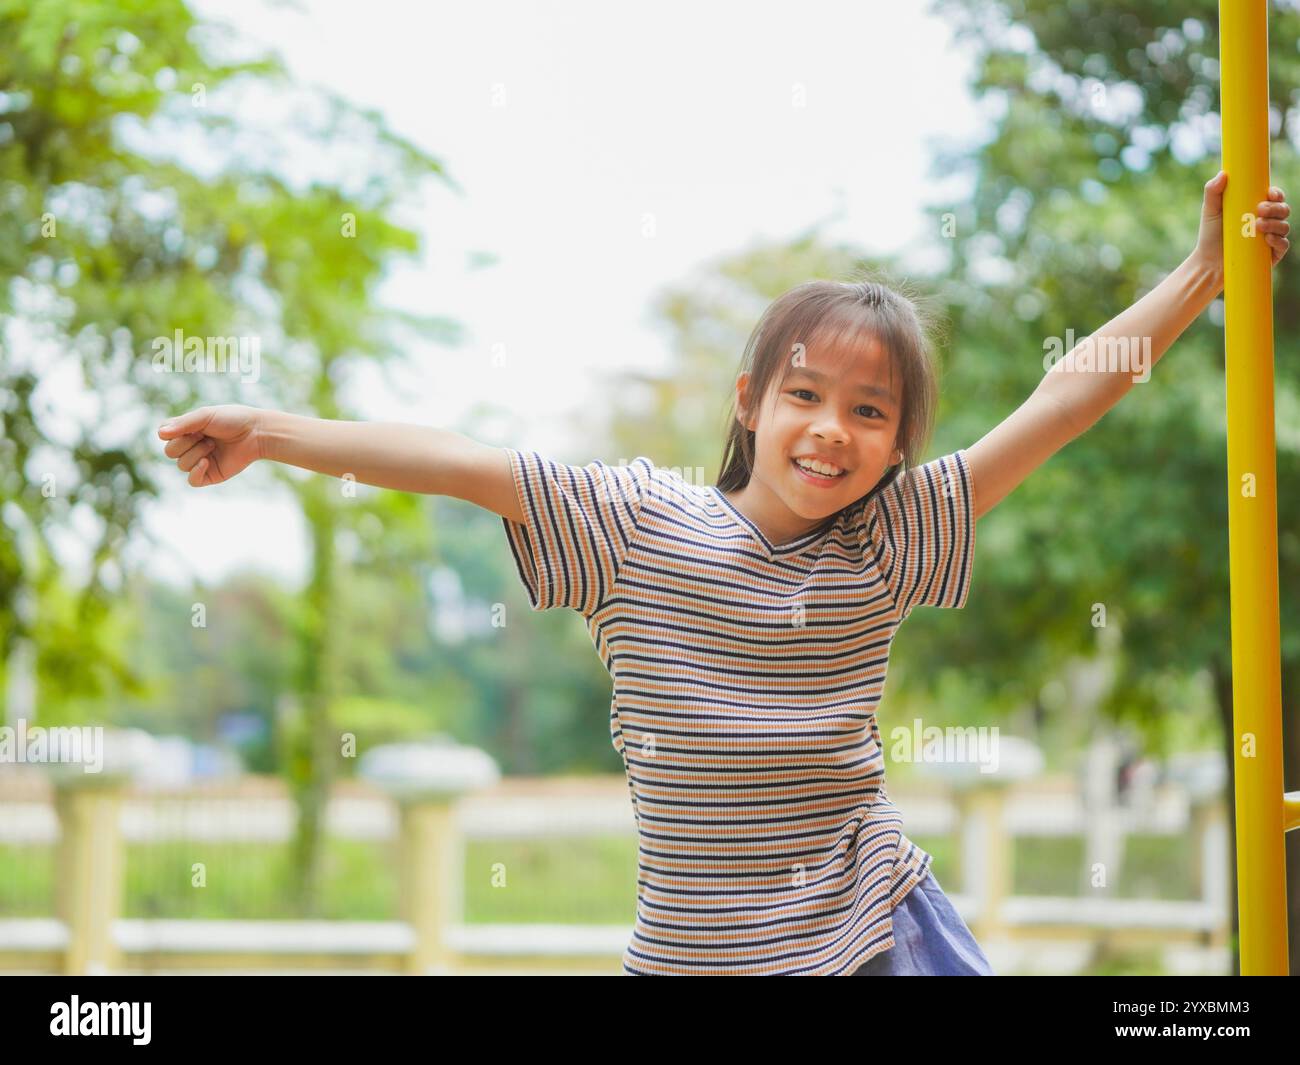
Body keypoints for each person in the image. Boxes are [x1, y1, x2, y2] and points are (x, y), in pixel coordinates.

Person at [157, 171, 1289, 975]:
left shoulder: (889, 536)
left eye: (868, 412)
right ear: (748, 403)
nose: (830, 431)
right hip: (696, 957)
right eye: (804, 396)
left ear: (897, 445)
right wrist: (268, 430)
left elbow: (1060, 402)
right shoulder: (636, 525)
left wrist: (1199, 275)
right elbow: (462, 465)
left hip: (868, 938)